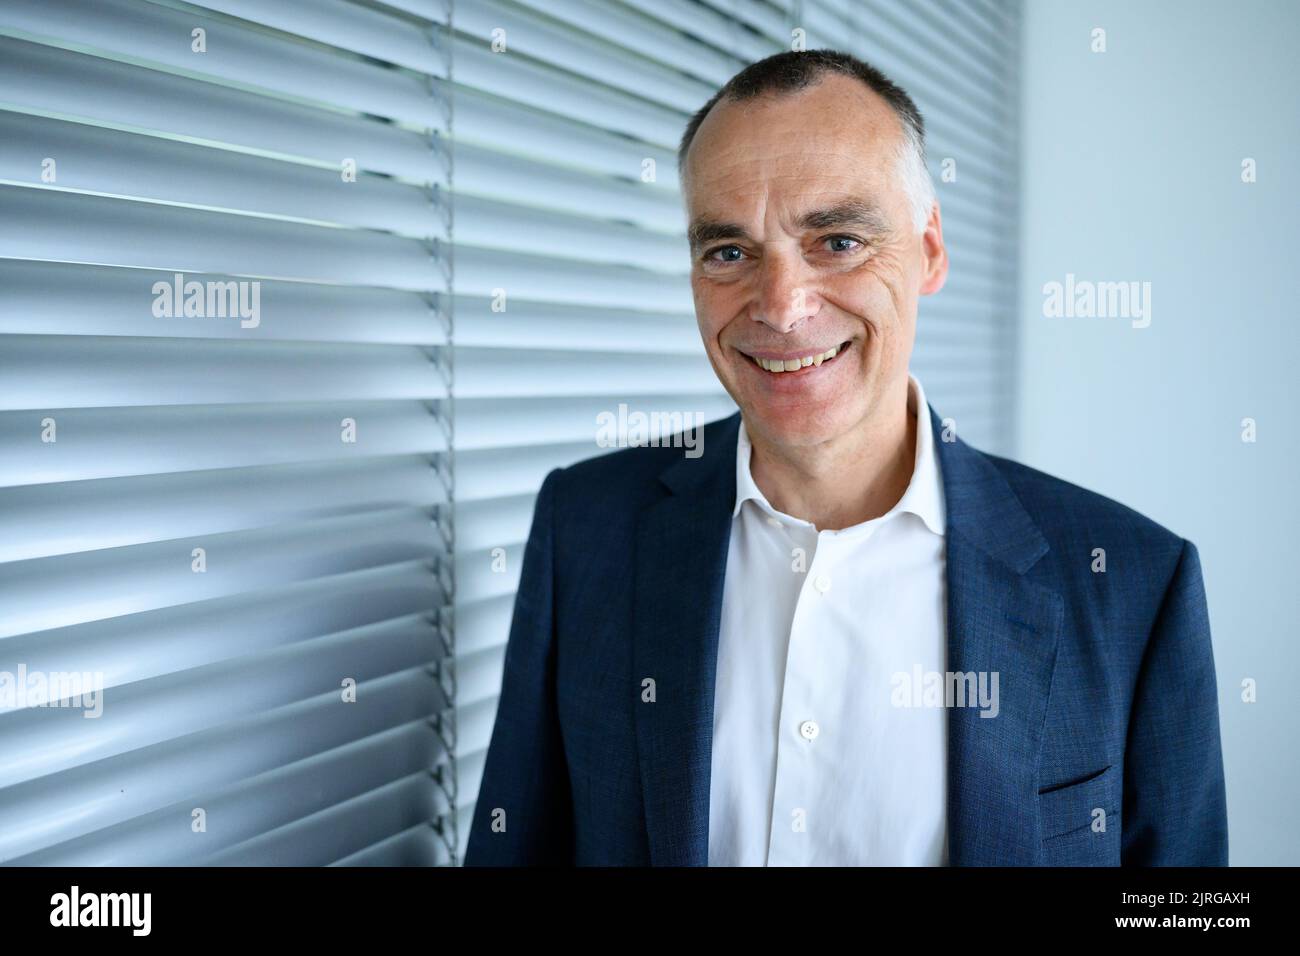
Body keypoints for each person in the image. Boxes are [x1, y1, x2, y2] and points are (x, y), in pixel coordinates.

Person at [464, 49, 1228, 866]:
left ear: (929, 250)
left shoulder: (1133, 584)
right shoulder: (585, 527)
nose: (782, 307)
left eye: (837, 240)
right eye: (729, 252)